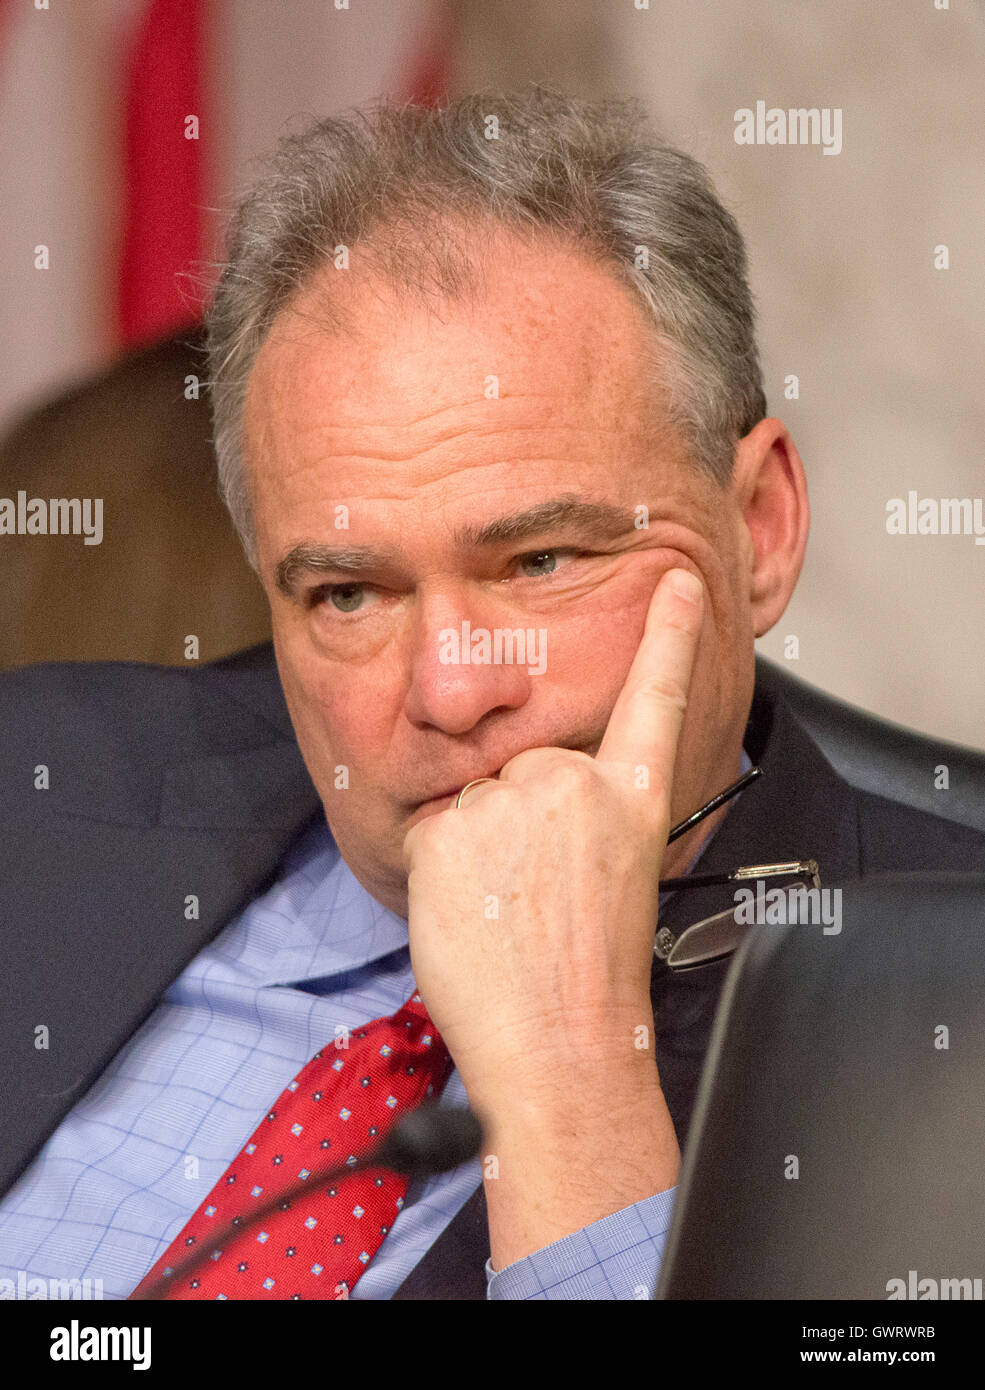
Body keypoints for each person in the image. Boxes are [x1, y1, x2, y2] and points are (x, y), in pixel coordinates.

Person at [1, 89, 981, 1302]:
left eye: (540, 562)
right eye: (351, 593)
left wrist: (572, 1089)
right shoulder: (38, 788)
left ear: (759, 529)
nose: (451, 691)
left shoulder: (946, 1008)